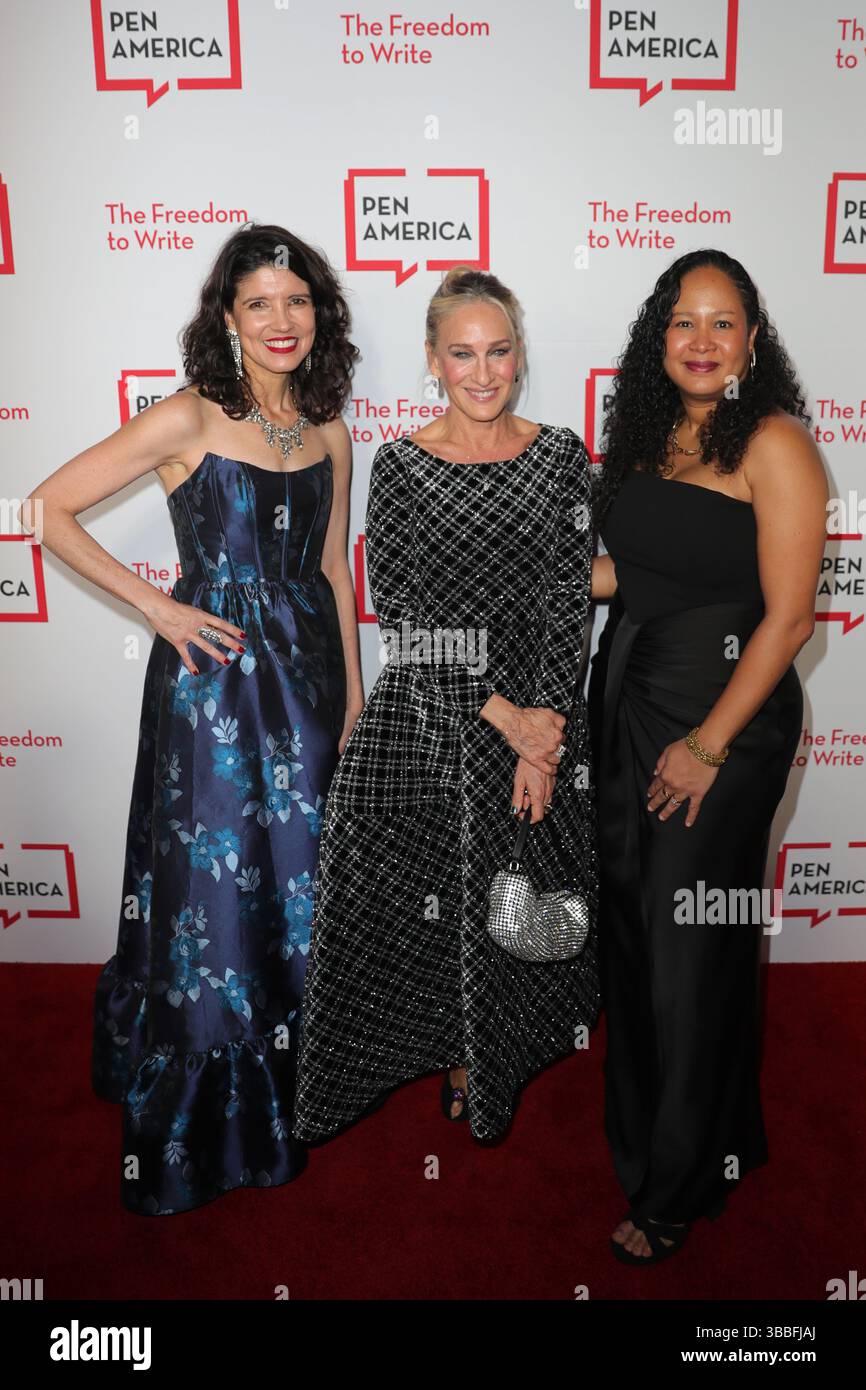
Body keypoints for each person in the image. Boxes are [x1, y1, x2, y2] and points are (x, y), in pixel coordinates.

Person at [19, 224, 363, 1214]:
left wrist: (349, 696)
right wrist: (162, 606)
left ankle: (296, 1087)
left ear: (318, 313)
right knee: (208, 902)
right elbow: (44, 508)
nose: (280, 319)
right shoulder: (186, 418)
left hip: (307, 692)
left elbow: (335, 571)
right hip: (210, 696)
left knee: (297, 888)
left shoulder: (332, 430)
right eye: (259, 302)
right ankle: (198, 1127)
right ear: (228, 316)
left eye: (296, 301)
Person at [292, 265, 600, 1144]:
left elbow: (565, 604)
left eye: (498, 350)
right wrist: (506, 720)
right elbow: (409, 620)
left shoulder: (560, 456)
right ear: (433, 359)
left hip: (540, 711)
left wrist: (544, 734)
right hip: (430, 716)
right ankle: (428, 1046)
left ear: (519, 354)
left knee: (513, 897)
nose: (482, 370)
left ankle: (489, 1055)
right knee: (431, 896)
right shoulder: (401, 467)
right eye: (461, 352)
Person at [587, 248, 827, 1263]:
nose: (698, 341)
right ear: (658, 336)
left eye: (720, 322)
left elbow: (785, 620)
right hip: (630, 697)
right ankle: (705, 1134)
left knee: (687, 948)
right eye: (681, 322)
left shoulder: (772, 443)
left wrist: (705, 744)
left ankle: (677, 1188)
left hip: (721, 718)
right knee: (642, 936)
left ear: (751, 340)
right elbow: (625, 574)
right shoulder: (645, 435)